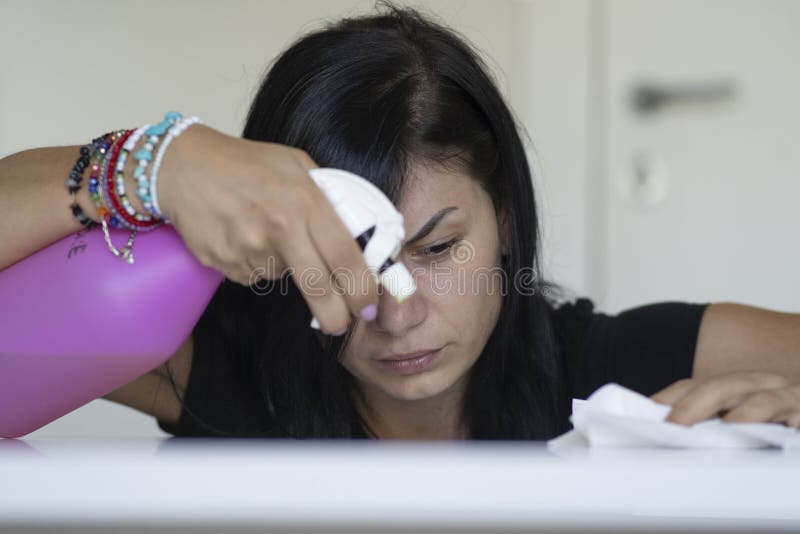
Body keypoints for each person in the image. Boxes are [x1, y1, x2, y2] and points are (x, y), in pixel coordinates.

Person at [0, 5, 798, 439]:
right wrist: (153, 166)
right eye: (347, 256)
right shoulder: (222, 377)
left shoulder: (605, 367)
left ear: (507, 224)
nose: (400, 310)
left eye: (441, 247)